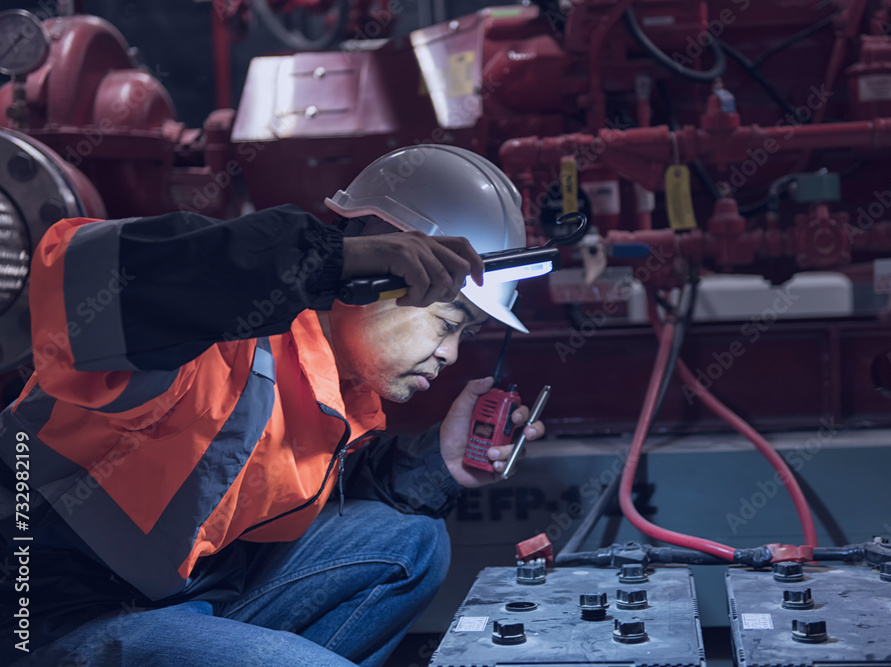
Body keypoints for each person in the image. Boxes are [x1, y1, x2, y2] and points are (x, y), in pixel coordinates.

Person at [0, 145, 546, 666]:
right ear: (378, 269)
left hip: (185, 602)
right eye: (447, 323)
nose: (450, 354)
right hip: (46, 618)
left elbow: (291, 492)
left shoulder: (337, 392)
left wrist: (439, 464)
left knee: (413, 542)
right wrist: (327, 259)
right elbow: (78, 277)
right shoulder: (204, 342)